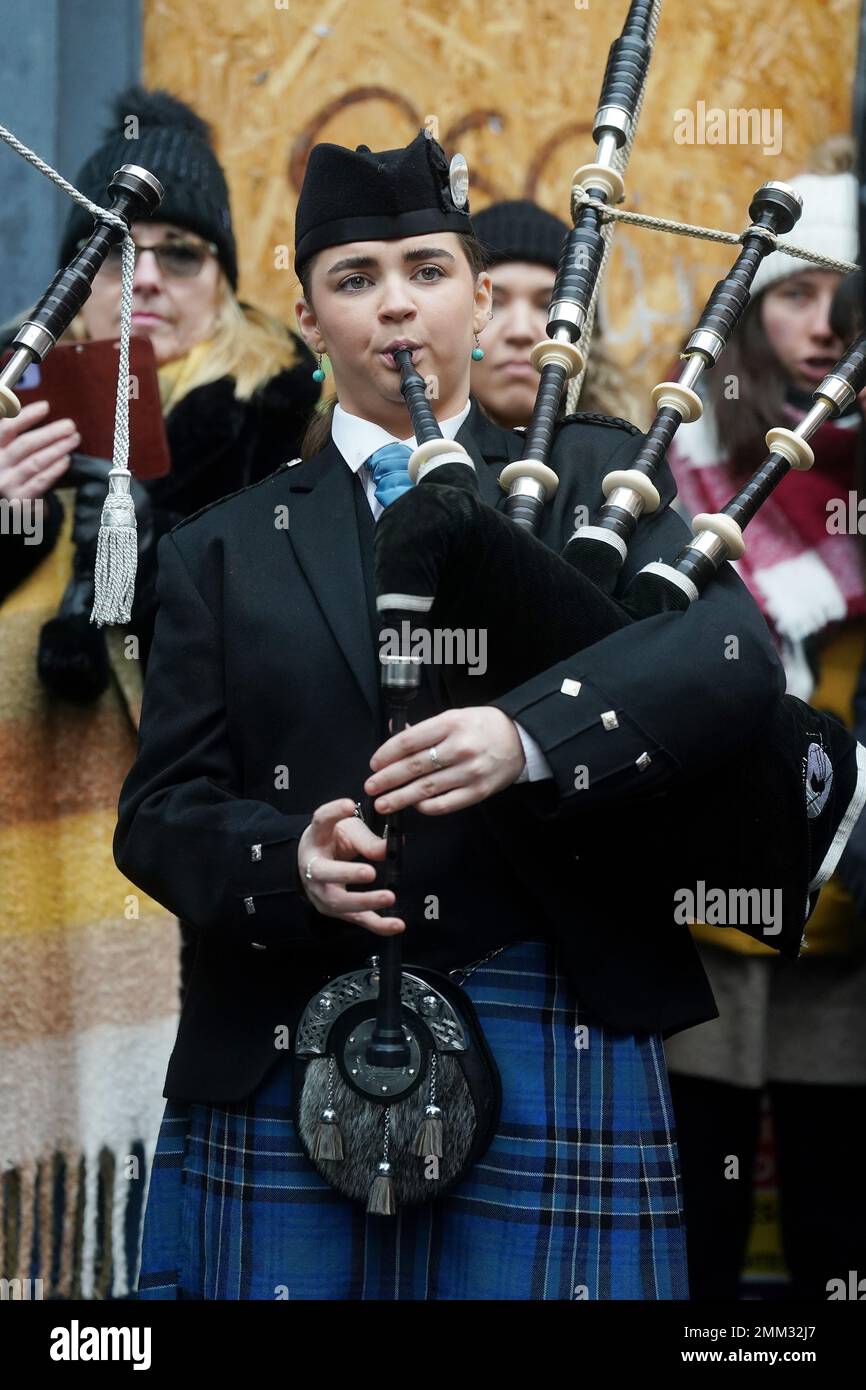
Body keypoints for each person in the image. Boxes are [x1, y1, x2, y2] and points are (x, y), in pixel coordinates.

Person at [114, 127, 787, 1301]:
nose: (395, 308)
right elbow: (159, 815)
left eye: (427, 271)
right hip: (290, 1038)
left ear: (479, 299)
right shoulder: (221, 546)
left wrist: (529, 736)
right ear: (309, 312)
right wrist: (289, 861)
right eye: (355, 279)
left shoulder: (595, 485)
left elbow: (728, 658)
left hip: (552, 1026)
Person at [0, 85, 319, 1299]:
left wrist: (140, 507)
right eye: (112, 248)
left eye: (179, 253)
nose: (146, 277)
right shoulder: (14, 416)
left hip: (192, 927)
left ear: (225, 279)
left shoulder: (279, 425)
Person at [663, 135, 866, 1301]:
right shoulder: (682, 467)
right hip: (705, 917)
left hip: (851, 930)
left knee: (840, 1230)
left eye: (847, 293)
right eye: (794, 290)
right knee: (698, 1217)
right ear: (748, 314)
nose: (824, 321)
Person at [469, 197, 643, 428]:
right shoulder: (409, 454)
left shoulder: (627, 459)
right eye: (493, 304)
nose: (520, 331)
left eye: (547, 306)